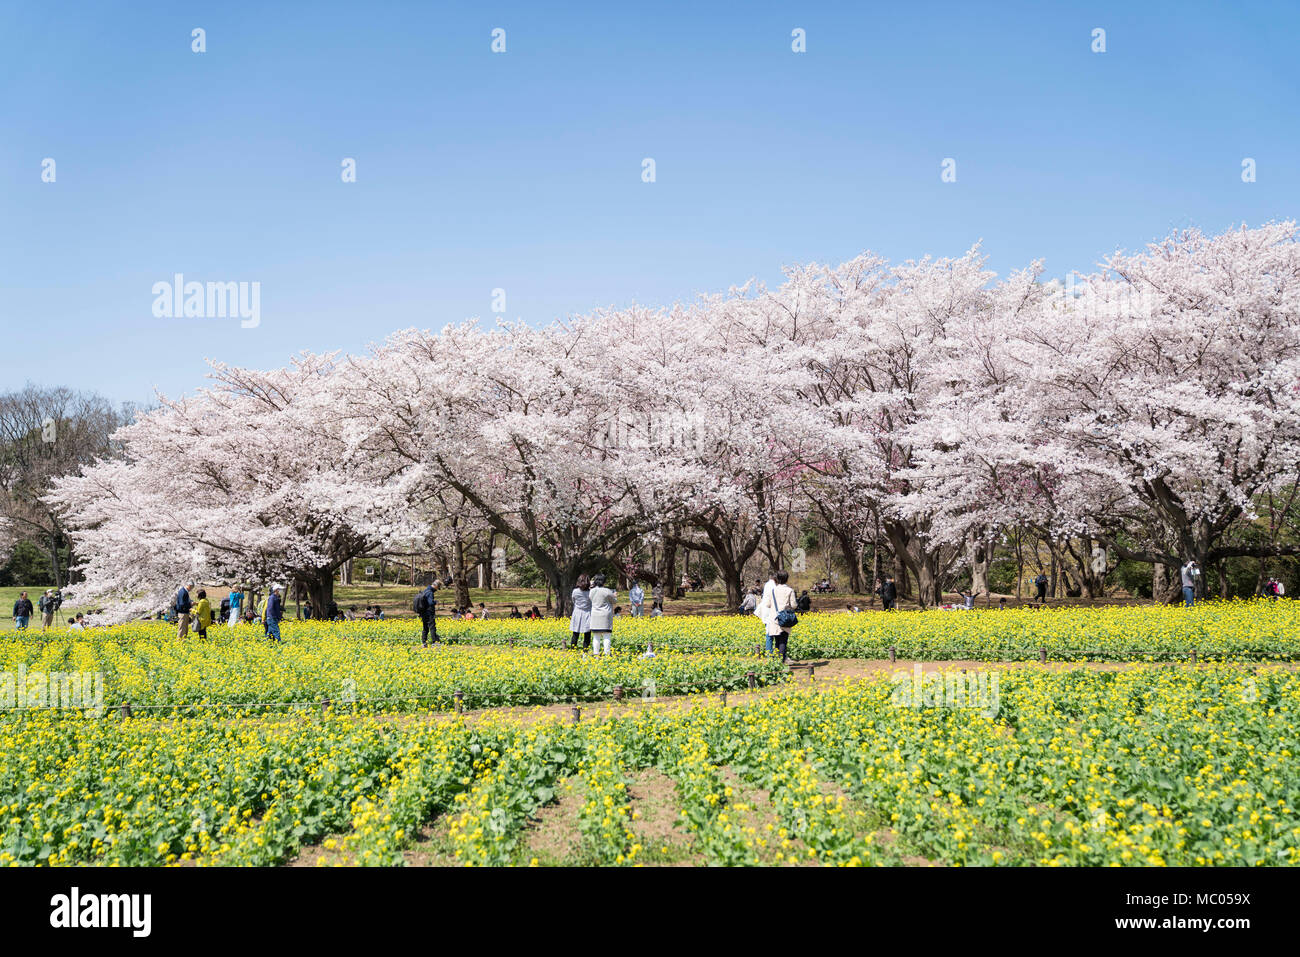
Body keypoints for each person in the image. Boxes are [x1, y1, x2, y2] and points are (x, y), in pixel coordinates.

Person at [759, 570, 798, 663]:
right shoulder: (790, 590)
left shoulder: (773, 590)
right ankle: (782, 660)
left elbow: (768, 604)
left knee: (777, 639)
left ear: (777, 579)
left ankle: (777, 661)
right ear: (787, 579)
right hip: (785, 618)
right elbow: (794, 605)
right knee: (783, 641)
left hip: (774, 618)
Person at [588, 573, 617, 655]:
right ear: (604, 581)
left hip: (595, 615)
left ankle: (596, 653)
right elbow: (614, 601)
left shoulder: (592, 591)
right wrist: (614, 595)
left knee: (596, 636)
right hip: (605, 616)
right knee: (606, 636)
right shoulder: (607, 591)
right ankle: (607, 653)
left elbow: (591, 599)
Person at [570, 574, 593, 651]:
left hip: (577, 613)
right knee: (587, 634)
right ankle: (585, 651)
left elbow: (573, 600)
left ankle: (573, 650)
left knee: (575, 633)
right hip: (588, 613)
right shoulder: (590, 592)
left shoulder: (575, 591)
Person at [415, 579, 439, 647]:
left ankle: (424, 642)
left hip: (423, 612)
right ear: (435, 586)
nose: (437, 590)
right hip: (429, 613)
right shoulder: (430, 592)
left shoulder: (425, 590)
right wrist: (435, 602)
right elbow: (430, 602)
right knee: (432, 627)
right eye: (437, 588)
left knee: (425, 628)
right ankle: (435, 642)